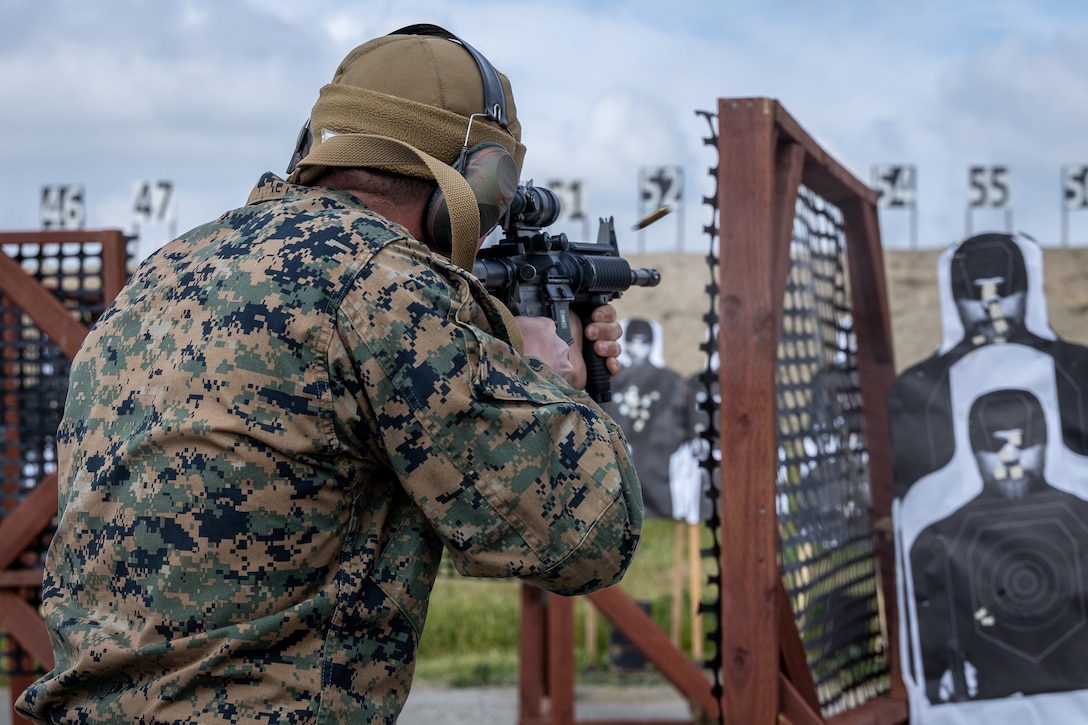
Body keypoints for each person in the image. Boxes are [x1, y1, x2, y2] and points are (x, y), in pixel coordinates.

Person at [17, 24, 643, 724]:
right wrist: (546, 376)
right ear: (479, 181)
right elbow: (587, 536)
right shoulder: (384, 285)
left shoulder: (165, 272)